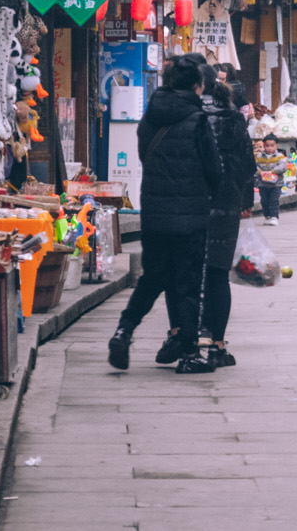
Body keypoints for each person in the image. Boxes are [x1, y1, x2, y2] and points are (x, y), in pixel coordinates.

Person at [108, 57, 222, 374]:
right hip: (190, 216)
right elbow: (214, 170)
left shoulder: (151, 117)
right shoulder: (198, 120)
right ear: (197, 87)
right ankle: (188, 354)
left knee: (153, 278)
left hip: (155, 215)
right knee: (188, 284)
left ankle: (124, 330)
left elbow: (146, 156)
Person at [197, 64, 257, 371]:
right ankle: (218, 347)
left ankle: (191, 340)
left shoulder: (185, 118)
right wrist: (244, 201)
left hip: (189, 206)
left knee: (190, 274)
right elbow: (248, 167)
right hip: (225, 208)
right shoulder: (234, 119)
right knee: (218, 274)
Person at [255, 137, 291, 224]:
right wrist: (260, 172)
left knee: (273, 200)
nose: (269, 148)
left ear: (276, 146)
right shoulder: (259, 157)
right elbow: (255, 166)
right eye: (267, 146)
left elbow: (283, 167)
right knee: (264, 200)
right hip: (263, 183)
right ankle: (267, 216)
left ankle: (274, 216)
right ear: (264, 146)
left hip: (276, 184)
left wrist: (273, 171)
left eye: (272, 146)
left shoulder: (280, 157)